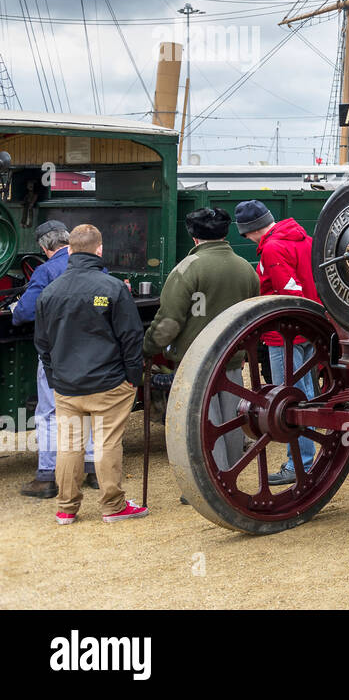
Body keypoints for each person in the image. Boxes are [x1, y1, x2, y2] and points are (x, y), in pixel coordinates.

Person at [34, 224, 147, 525]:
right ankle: (113, 506)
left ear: (69, 250)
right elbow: (132, 337)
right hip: (109, 382)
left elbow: (42, 343)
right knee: (108, 442)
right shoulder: (112, 288)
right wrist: (132, 377)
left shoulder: (50, 291)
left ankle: (65, 508)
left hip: (67, 385)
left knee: (69, 445)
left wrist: (54, 376)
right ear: (100, 250)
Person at [144, 208, 259, 479]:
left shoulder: (187, 269)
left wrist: (147, 347)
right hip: (231, 359)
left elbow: (169, 322)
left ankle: (209, 482)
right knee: (231, 423)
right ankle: (229, 477)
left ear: (194, 237)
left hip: (195, 362)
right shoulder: (246, 269)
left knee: (201, 425)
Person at [235, 200, 319, 486]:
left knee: (289, 399)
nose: (247, 240)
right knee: (304, 394)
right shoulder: (303, 239)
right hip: (308, 329)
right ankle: (305, 459)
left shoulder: (272, 248)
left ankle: (299, 463)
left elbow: (287, 293)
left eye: (245, 235)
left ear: (251, 231)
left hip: (283, 334)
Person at [11, 220, 96, 497]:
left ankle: (47, 477)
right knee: (90, 408)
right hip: (93, 352)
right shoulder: (98, 267)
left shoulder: (46, 271)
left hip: (57, 353)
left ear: (44, 247)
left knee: (48, 413)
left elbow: (24, 313)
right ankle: (94, 469)